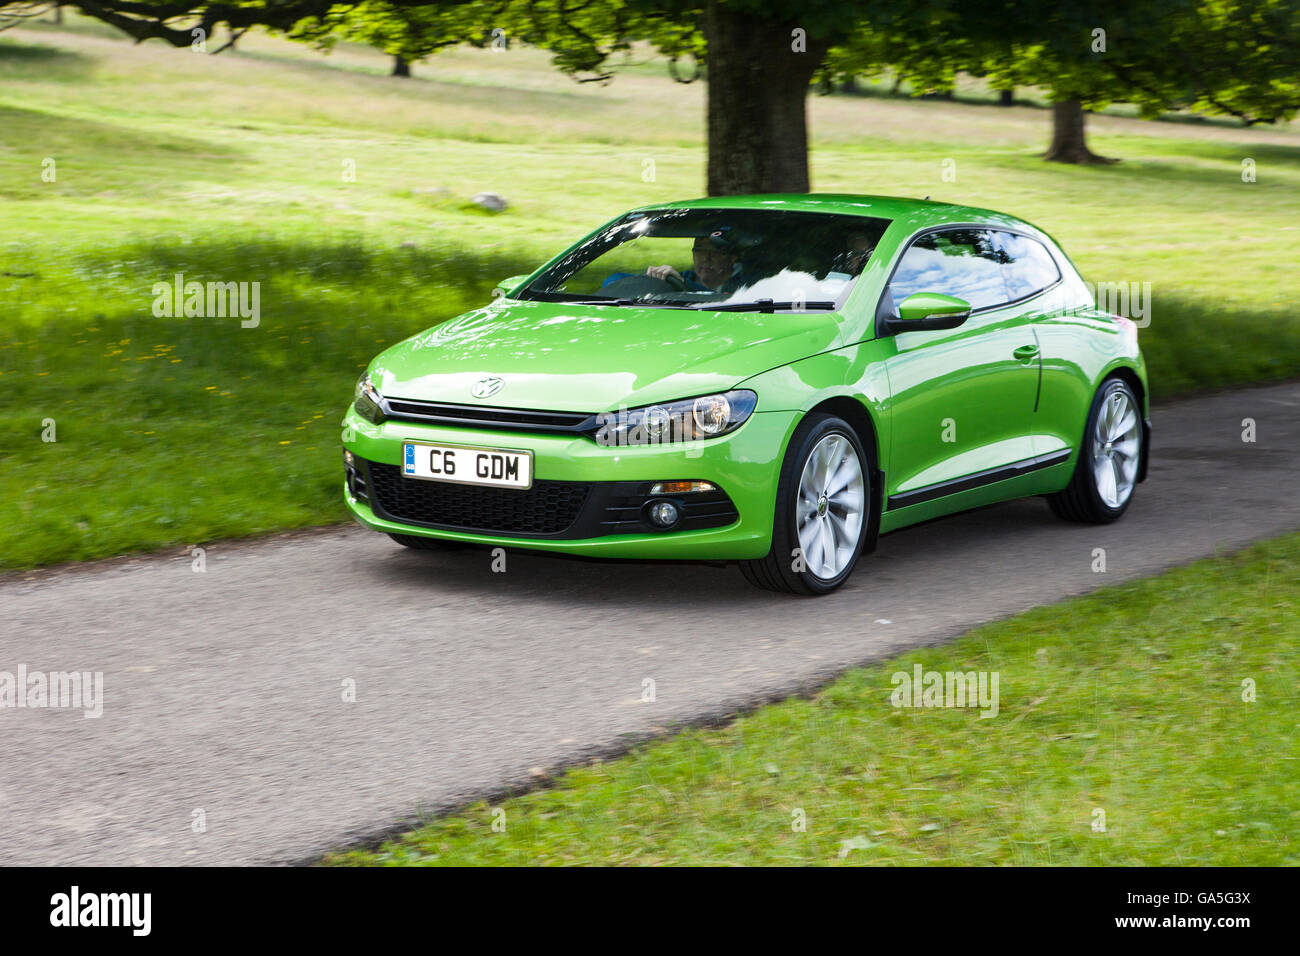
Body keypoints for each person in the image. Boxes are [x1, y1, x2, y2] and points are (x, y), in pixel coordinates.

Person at [645, 233, 742, 293]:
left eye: (714, 252)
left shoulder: (747, 282)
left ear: (733, 257)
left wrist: (685, 284)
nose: (705, 258)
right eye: (699, 251)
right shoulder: (682, 277)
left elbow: (726, 300)